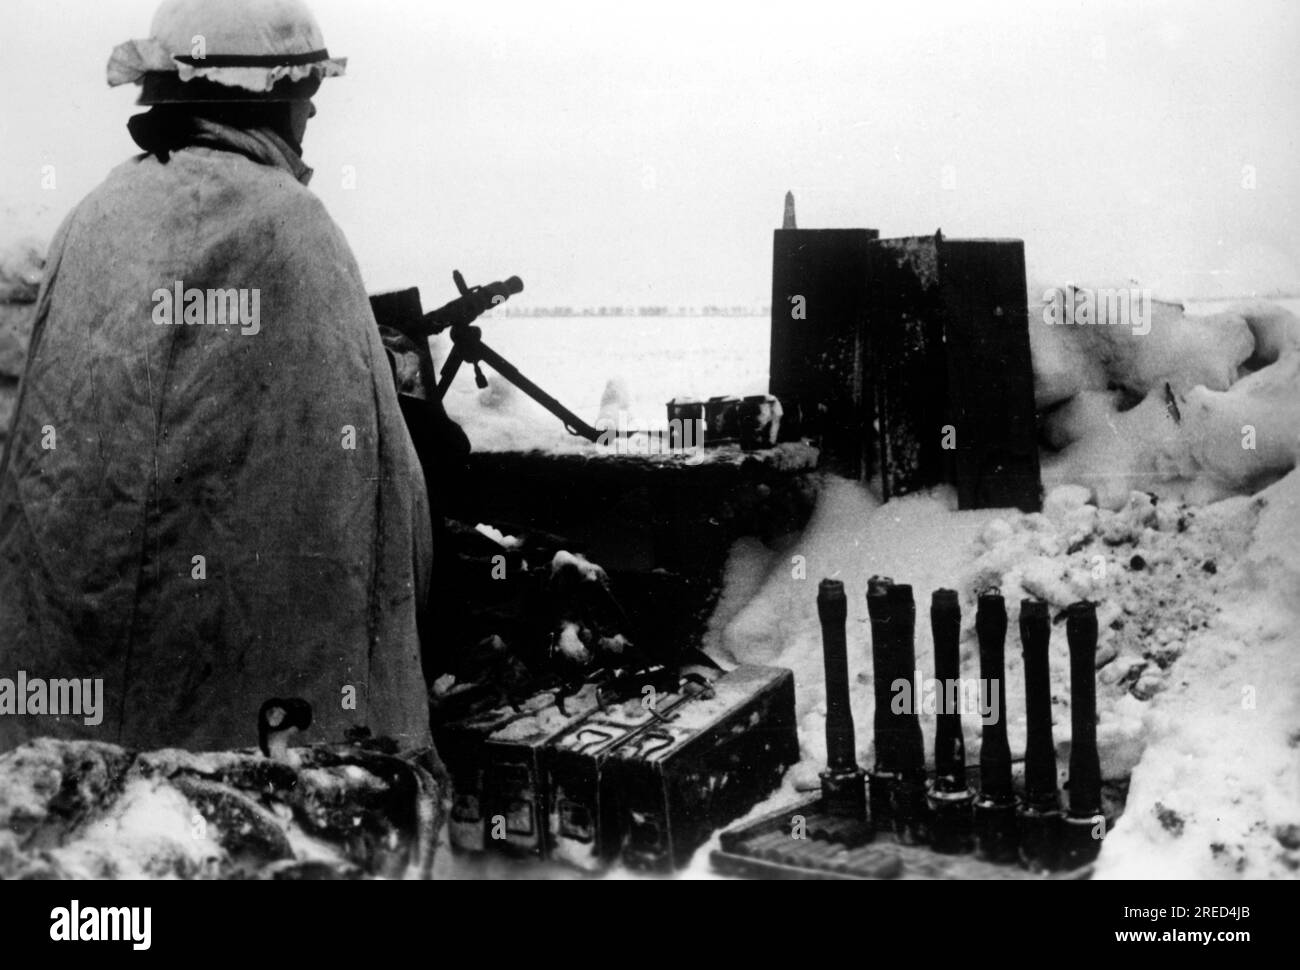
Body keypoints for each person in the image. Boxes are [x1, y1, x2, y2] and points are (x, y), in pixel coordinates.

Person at [0, 0, 432, 753]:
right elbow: (383, 492)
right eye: (305, 99)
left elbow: (34, 484)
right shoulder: (294, 227)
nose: (309, 118)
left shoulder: (91, 219)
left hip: (64, 731)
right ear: (267, 99)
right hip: (264, 734)